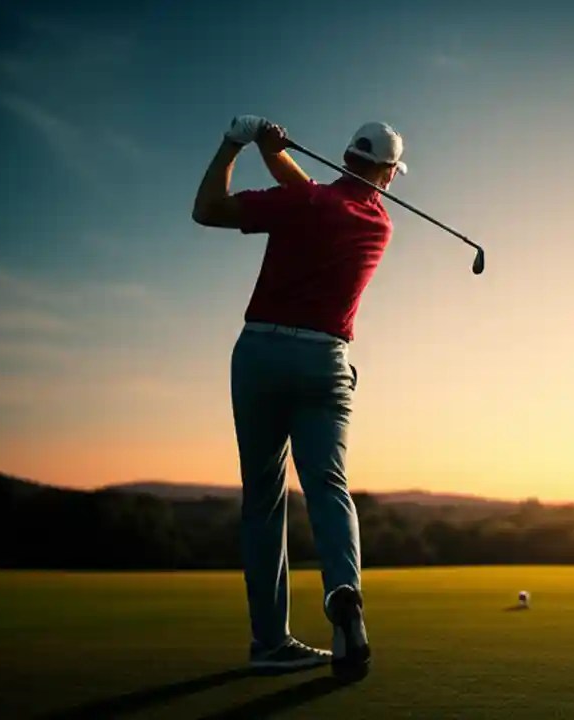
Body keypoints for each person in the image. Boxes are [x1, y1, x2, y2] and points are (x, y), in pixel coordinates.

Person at [192, 115, 406, 680]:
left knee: (264, 500)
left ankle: (269, 642)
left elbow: (207, 208)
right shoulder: (377, 224)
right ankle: (343, 594)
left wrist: (237, 142)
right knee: (328, 487)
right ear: (385, 175)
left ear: (346, 157)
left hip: (259, 353)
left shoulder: (300, 203)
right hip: (324, 362)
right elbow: (313, 194)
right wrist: (274, 154)